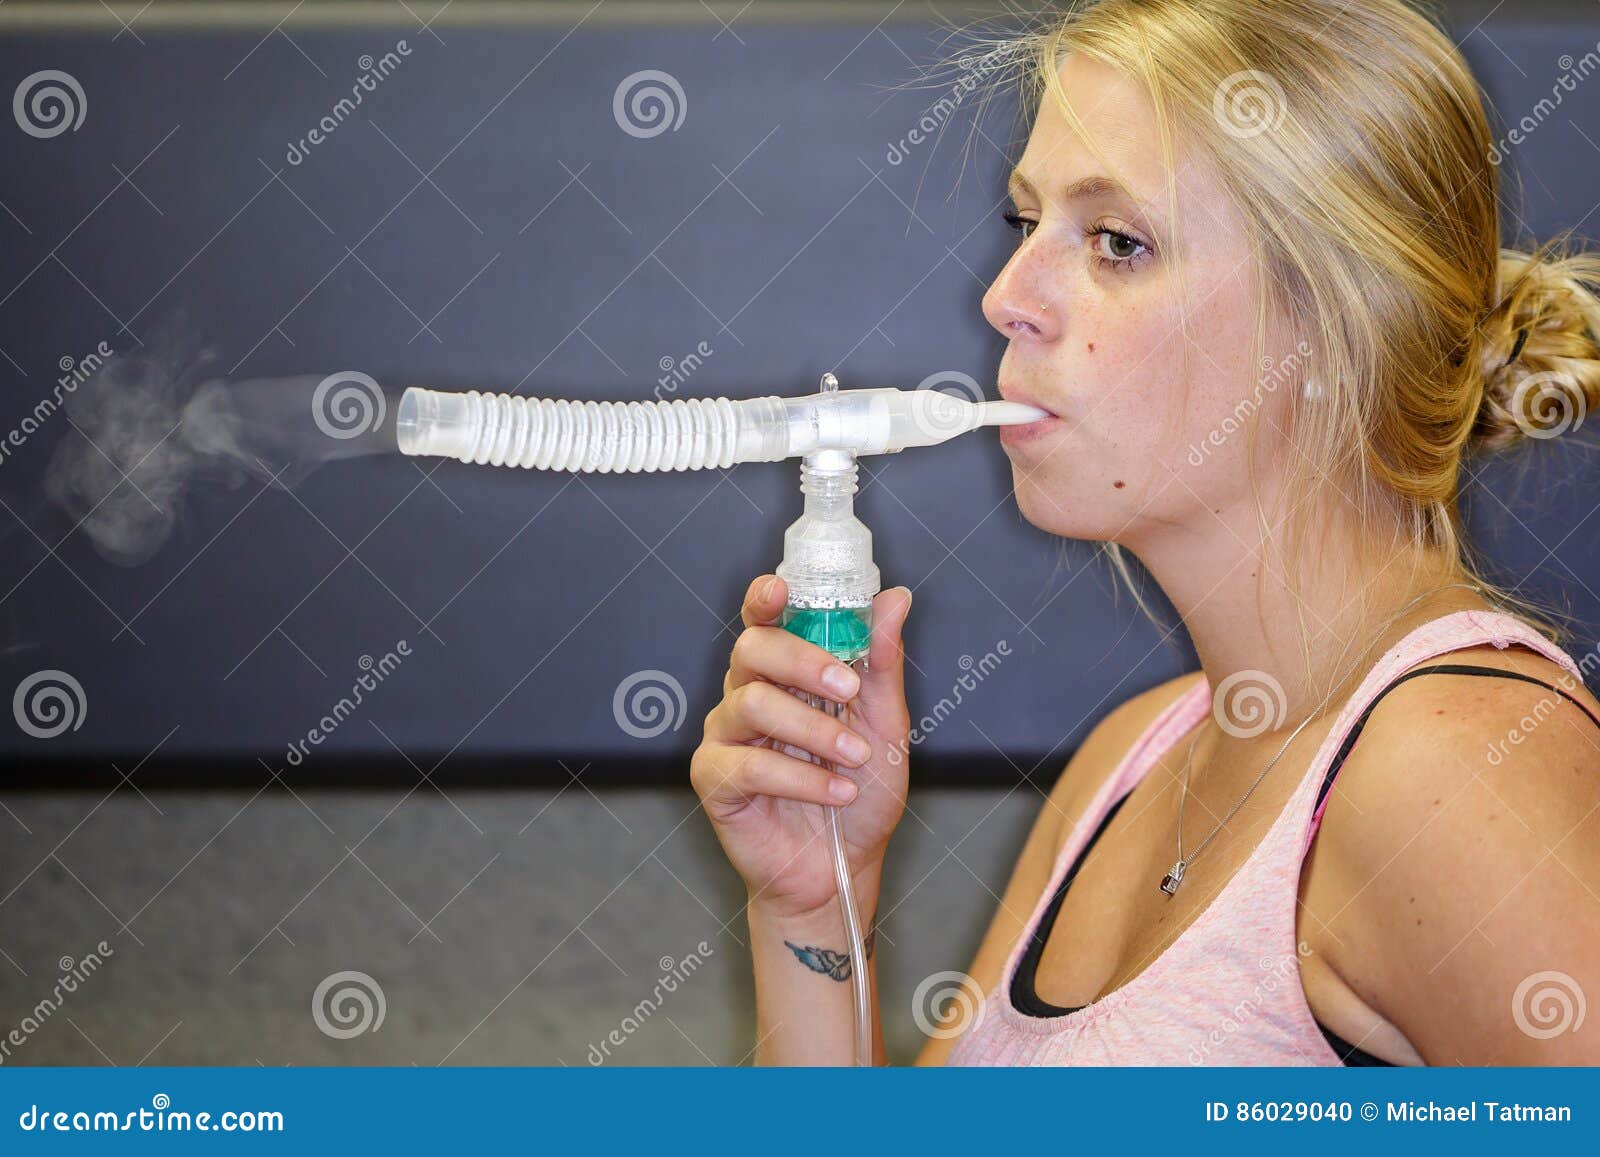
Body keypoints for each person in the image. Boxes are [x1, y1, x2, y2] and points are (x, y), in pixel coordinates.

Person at [689, 0, 1600, 1066]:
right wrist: (812, 904)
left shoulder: (1455, 773)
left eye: (1116, 241)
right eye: (1025, 224)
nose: (1004, 297)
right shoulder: (1133, 757)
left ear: (1336, 329)